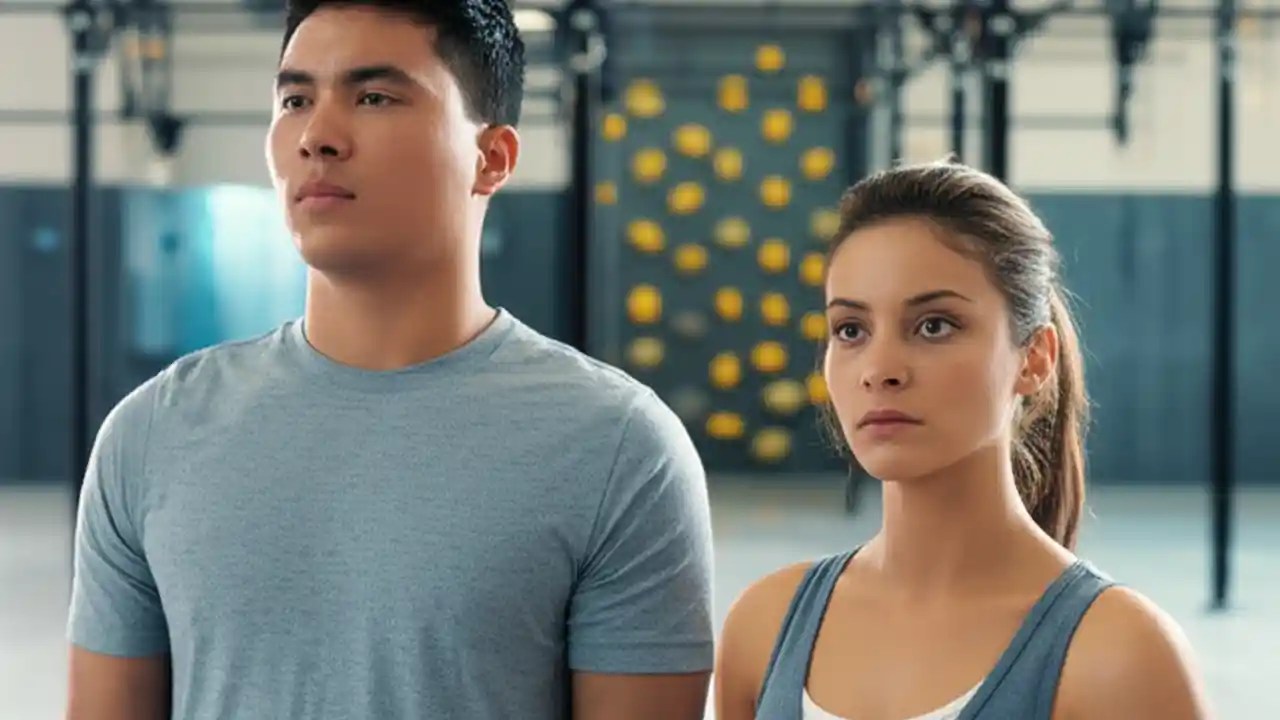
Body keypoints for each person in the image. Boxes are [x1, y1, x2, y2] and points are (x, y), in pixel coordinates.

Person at [65, 1, 715, 718]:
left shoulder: (617, 450)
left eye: (374, 96)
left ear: (490, 158)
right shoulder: (152, 433)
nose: (317, 134)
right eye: (295, 99)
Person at [714, 160, 1213, 720]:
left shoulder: (1120, 657)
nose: (879, 369)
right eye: (851, 330)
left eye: (934, 325)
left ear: (1035, 359)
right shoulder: (764, 629)